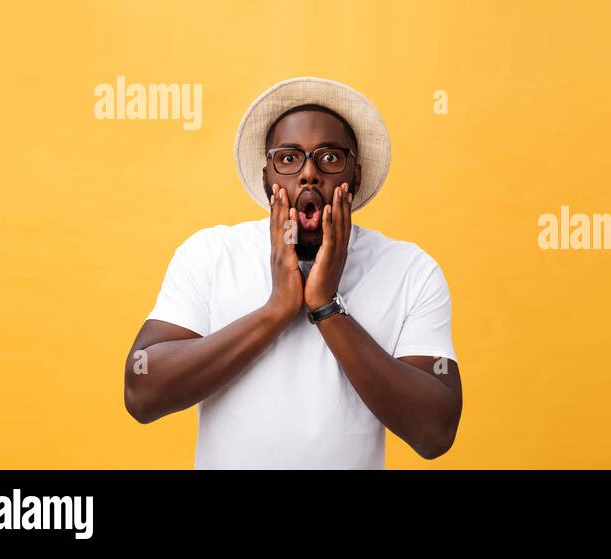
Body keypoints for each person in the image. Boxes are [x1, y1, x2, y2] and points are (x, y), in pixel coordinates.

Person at [123, 77, 462, 469]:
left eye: (330, 158)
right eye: (288, 158)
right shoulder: (211, 254)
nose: (308, 174)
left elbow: (435, 431)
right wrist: (276, 311)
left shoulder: (410, 270)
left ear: (356, 178)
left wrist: (326, 308)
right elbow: (141, 392)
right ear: (266, 177)